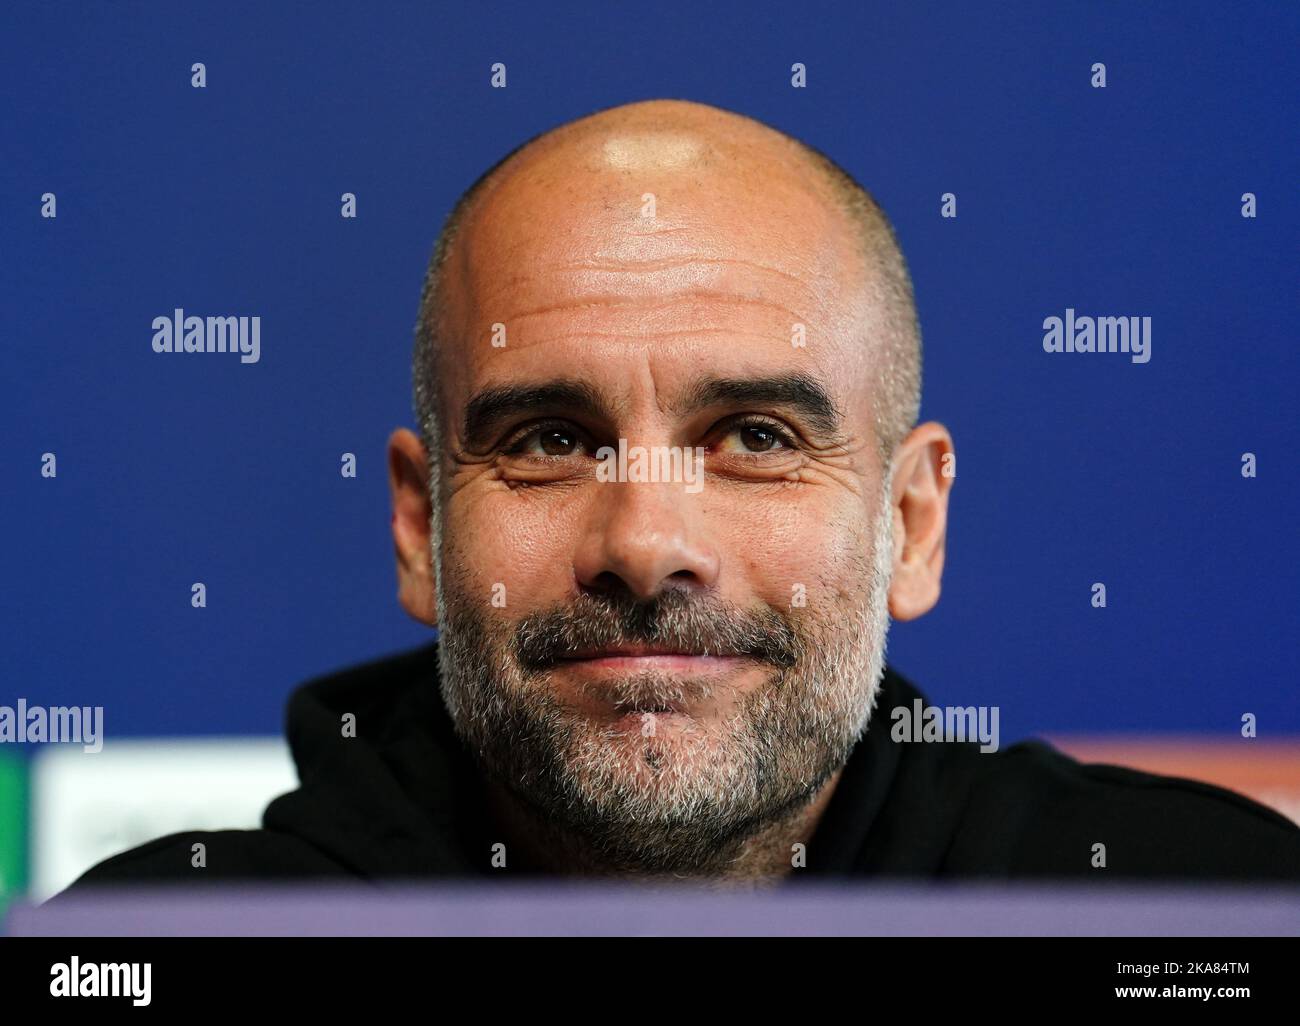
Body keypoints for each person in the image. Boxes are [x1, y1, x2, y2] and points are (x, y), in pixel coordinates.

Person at [61, 99, 1300, 892]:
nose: (646, 543)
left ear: (909, 524)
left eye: (753, 436)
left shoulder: (1199, 909)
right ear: (422, 524)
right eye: (550, 438)